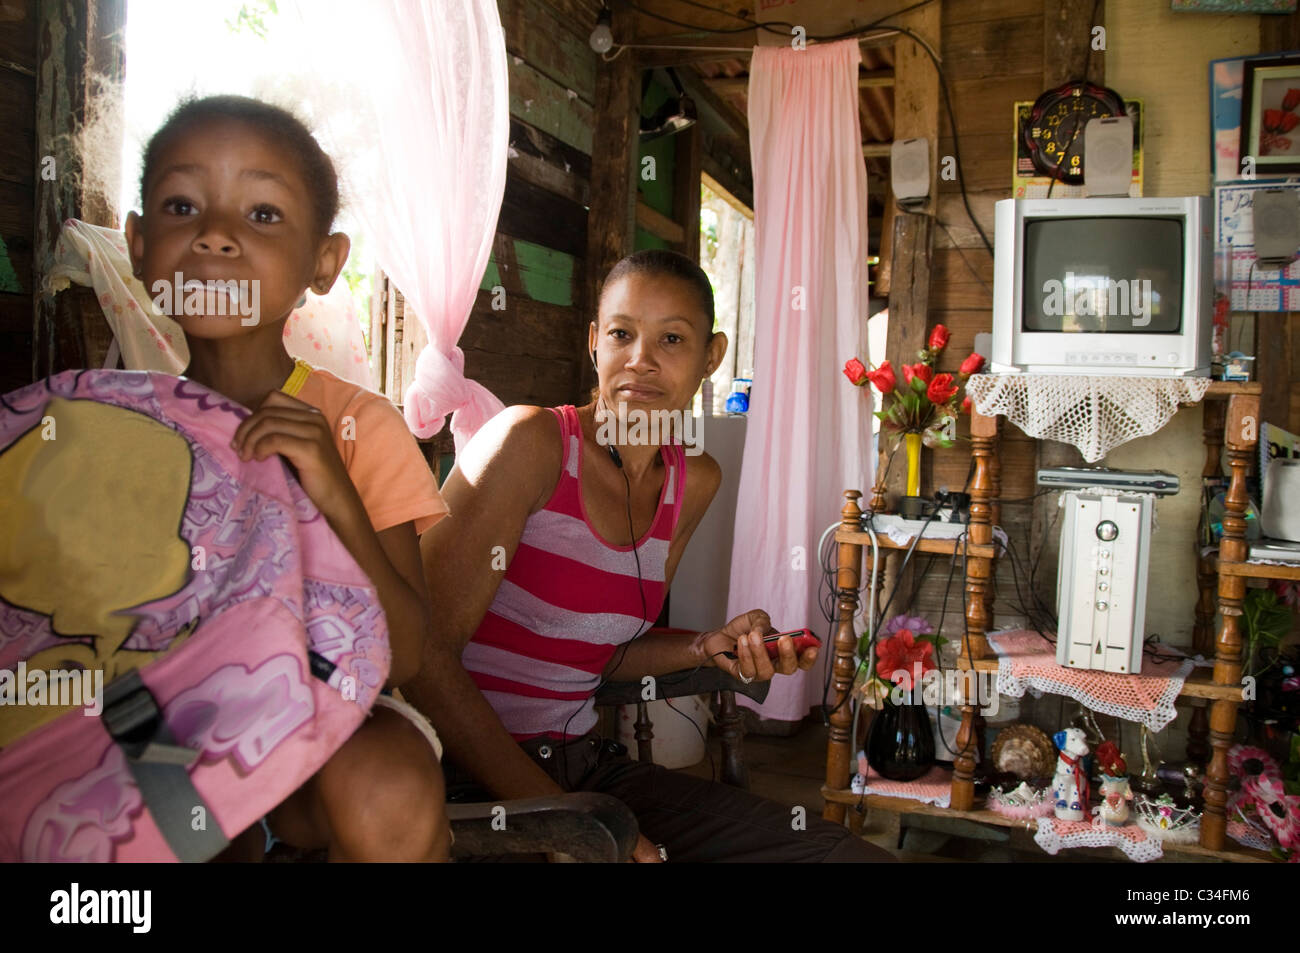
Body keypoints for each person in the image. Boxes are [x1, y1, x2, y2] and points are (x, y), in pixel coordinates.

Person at [405, 249, 894, 862]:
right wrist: (562, 823)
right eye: (621, 334)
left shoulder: (693, 483)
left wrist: (702, 647)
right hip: (473, 783)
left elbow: (601, 657)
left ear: (710, 357)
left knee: (845, 856)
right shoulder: (530, 445)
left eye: (671, 339)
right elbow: (418, 654)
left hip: (587, 772)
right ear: (594, 343)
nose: (641, 360)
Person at [124, 95, 451, 862]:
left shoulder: (359, 428)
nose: (215, 234)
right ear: (139, 244)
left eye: (263, 214)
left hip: (337, 727)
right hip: (167, 733)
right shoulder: (119, 434)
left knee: (387, 785)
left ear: (325, 263)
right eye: (182, 205)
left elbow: (403, 657)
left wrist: (330, 486)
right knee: (153, 805)